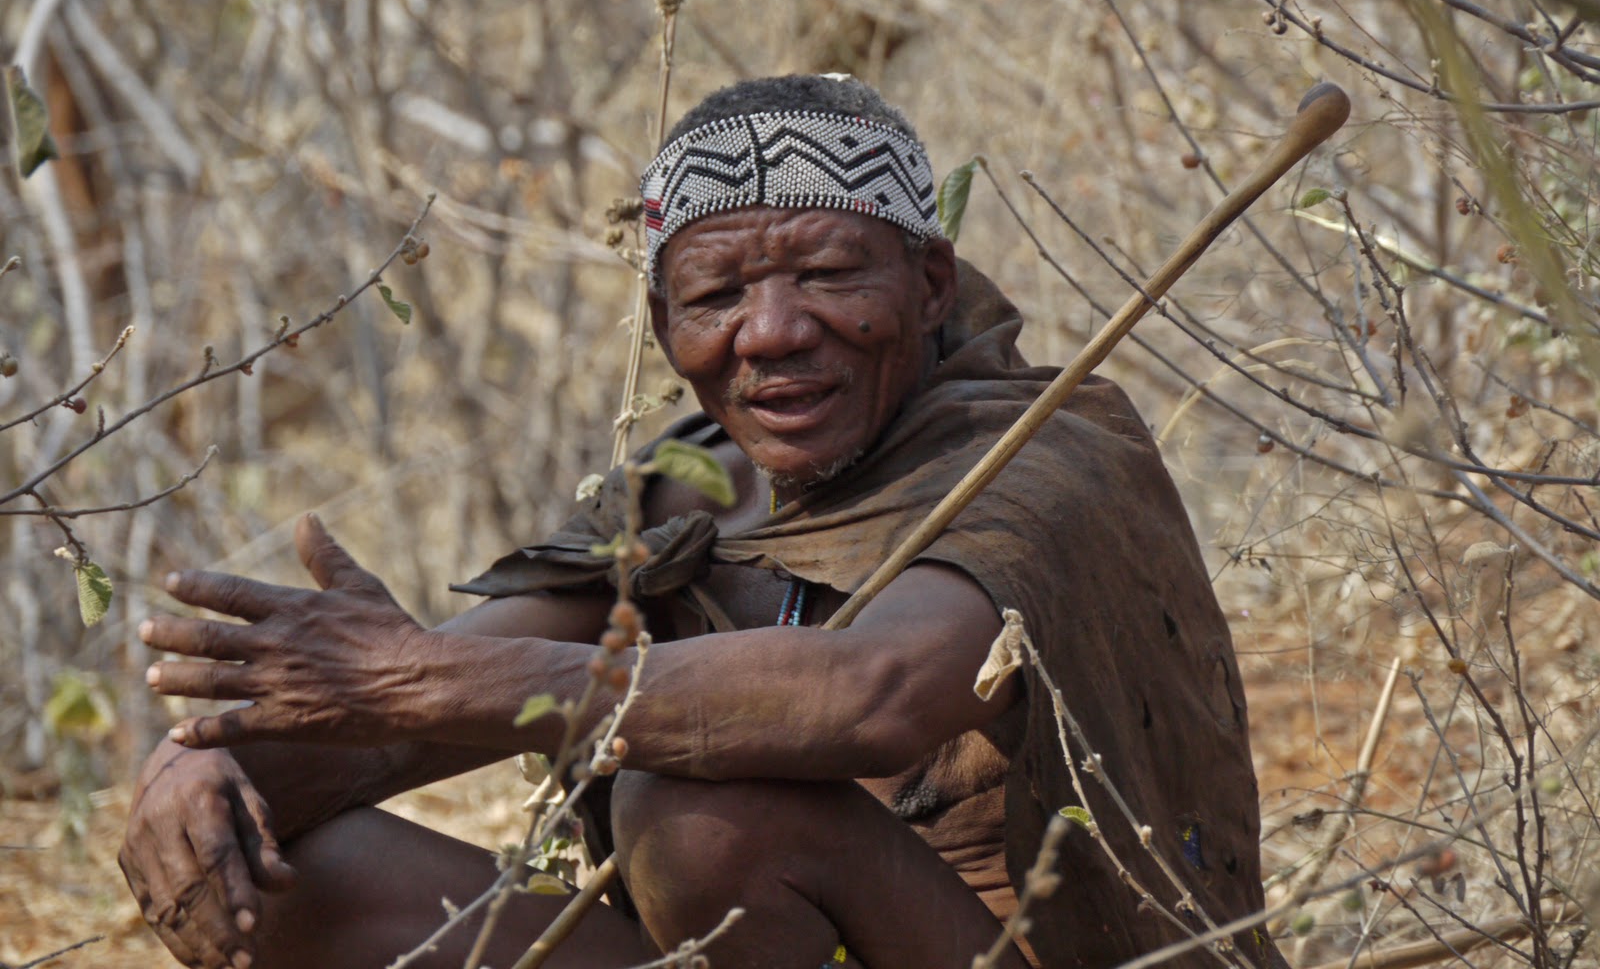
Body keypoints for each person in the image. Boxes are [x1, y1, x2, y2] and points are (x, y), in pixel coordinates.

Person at [121, 75, 1278, 969]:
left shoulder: (1045, 454)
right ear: (664, 320)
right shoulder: (693, 482)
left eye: (827, 272)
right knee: (283, 876)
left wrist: (413, 680)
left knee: (700, 810)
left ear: (930, 285)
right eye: (718, 295)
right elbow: (441, 696)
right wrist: (202, 766)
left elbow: (874, 693)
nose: (770, 332)